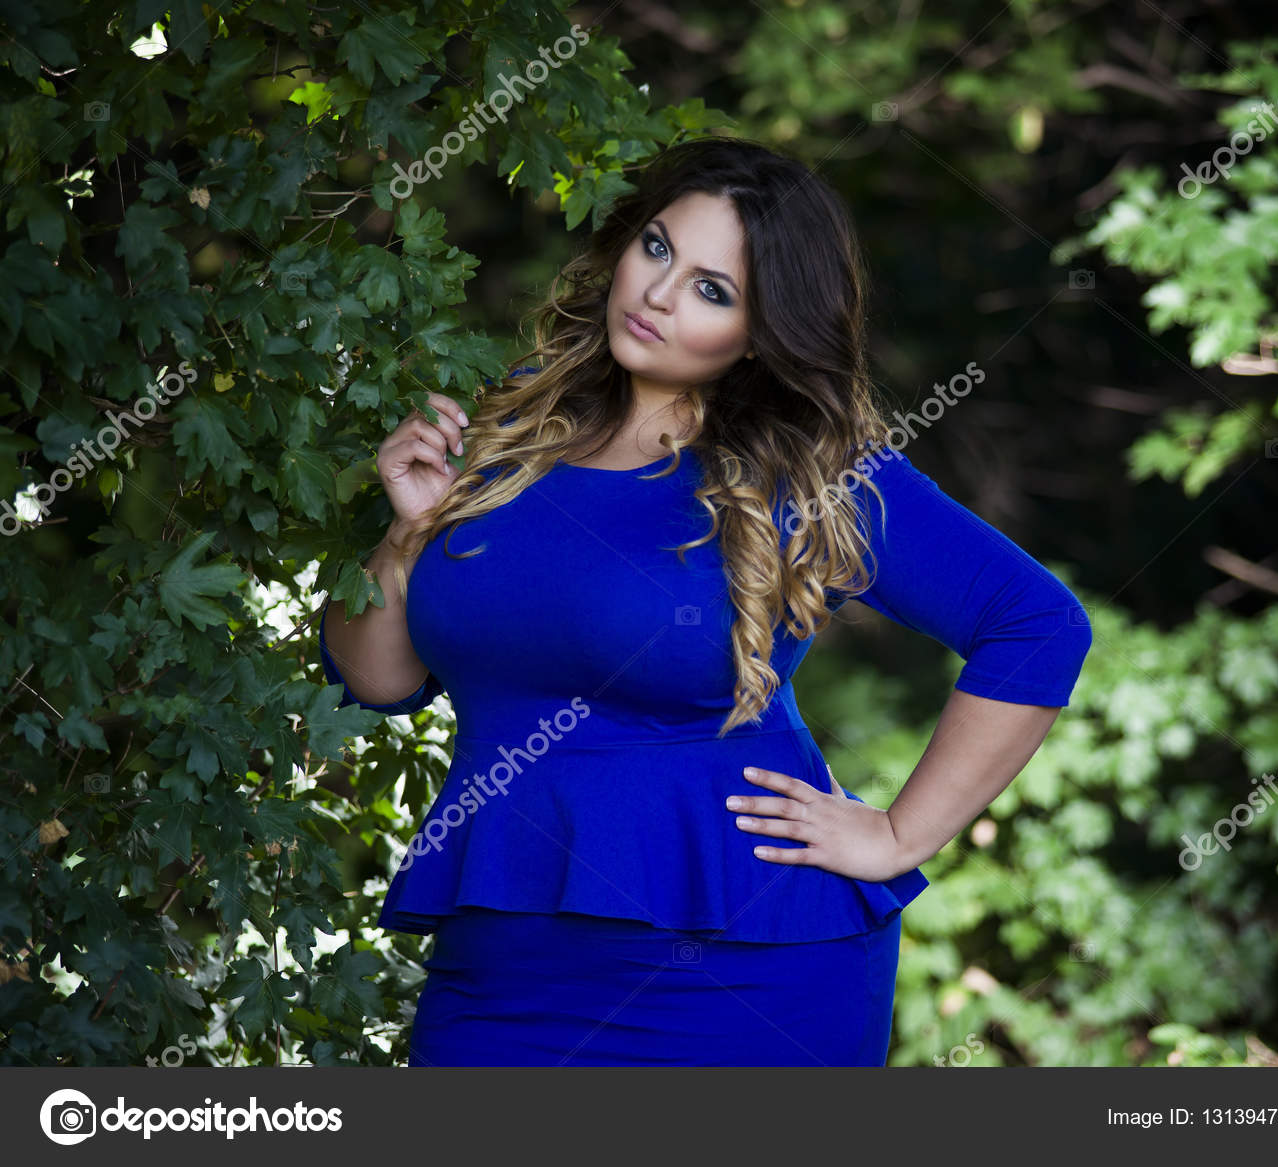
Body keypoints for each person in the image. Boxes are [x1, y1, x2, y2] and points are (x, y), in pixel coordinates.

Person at [317, 136, 1093, 1067]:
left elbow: (1038, 625)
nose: (657, 292)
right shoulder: (514, 422)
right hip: (503, 958)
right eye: (656, 248)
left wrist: (896, 834)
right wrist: (404, 537)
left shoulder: (811, 468)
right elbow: (378, 678)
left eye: (712, 289)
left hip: (745, 966)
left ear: (765, 331)